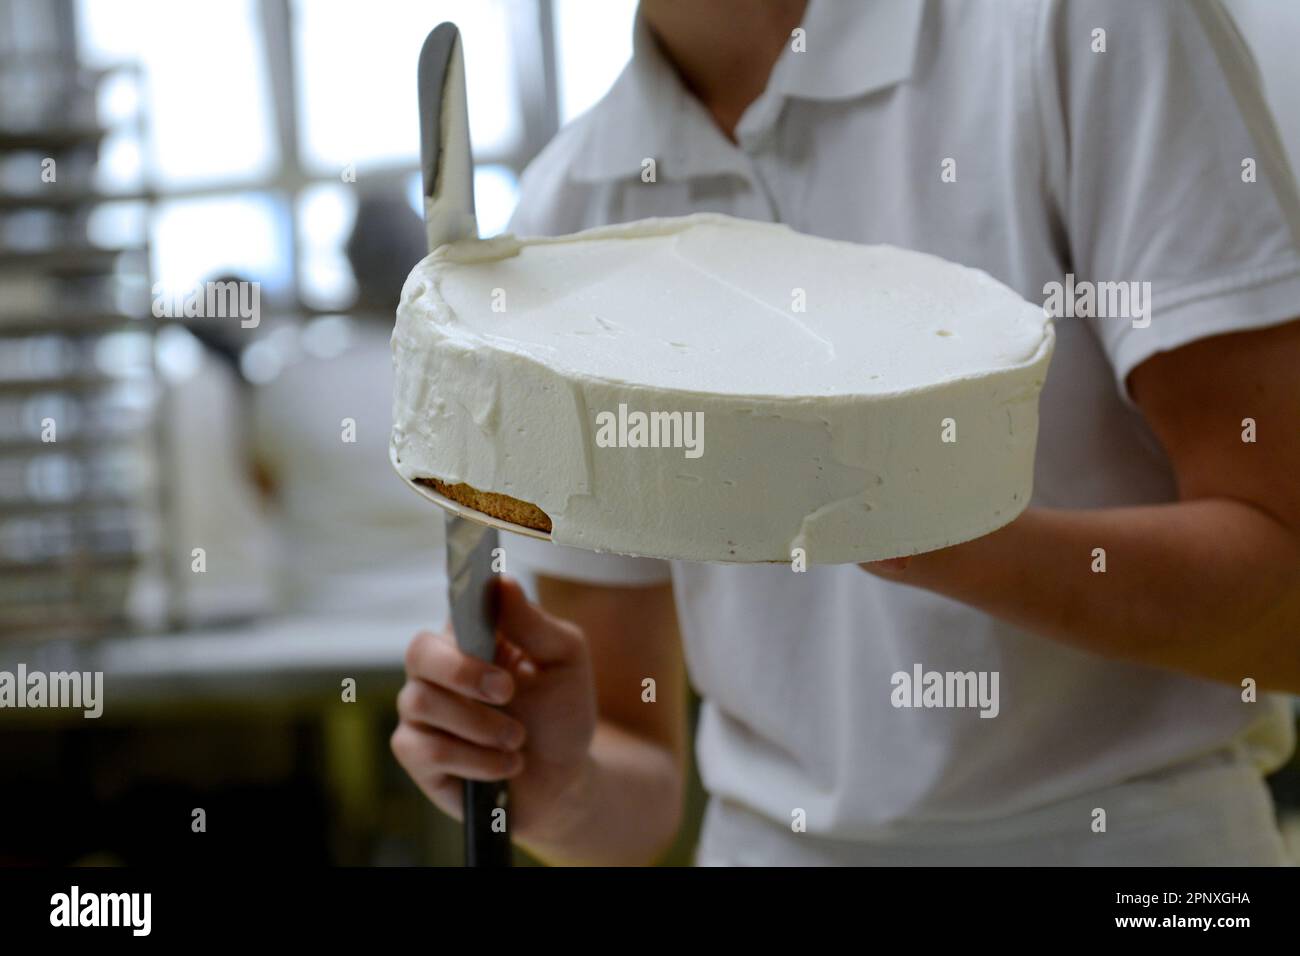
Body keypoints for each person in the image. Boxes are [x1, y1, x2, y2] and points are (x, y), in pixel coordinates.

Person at [392, 0, 1300, 865]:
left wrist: (895, 507)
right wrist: (557, 786)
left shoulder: (1079, 28)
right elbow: (643, 777)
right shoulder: (572, 210)